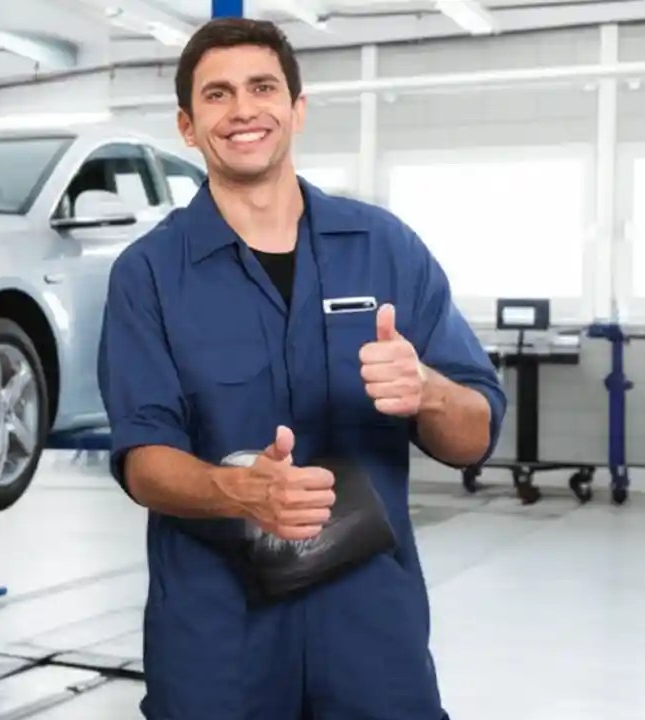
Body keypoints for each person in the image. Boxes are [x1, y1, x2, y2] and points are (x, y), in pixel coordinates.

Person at [97, 18, 507, 720]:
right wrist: (239, 492)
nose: (244, 110)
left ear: (297, 108)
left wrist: (429, 392)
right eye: (218, 95)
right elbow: (144, 461)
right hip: (217, 632)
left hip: (371, 624)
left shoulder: (384, 248)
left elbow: (474, 434)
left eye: (263, 87)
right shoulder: (149, 274)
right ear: (188, 127)